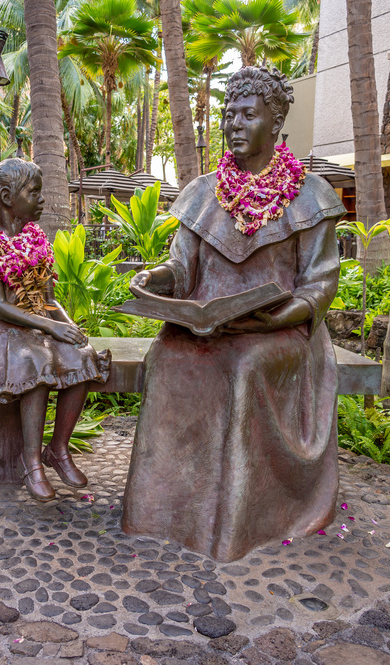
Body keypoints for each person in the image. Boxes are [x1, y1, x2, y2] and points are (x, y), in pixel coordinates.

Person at [121, 66, 345, 562]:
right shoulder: (203, 192)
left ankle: (236, 525)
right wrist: (153, 279)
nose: (235, 124)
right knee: (167, 359)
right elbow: (181, 267)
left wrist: (283, 315)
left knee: (243, 368)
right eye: (228, 114)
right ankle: (162, 513)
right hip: (205, 325)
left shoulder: (309, 195)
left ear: (276, 121)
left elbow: (319, 281)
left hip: (279, 330)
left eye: (249, 114)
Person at [0, 158, 110, 502]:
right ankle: (30, 461)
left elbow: (47, 299)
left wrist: (67, 326)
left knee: (83, 355)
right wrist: (50, 326)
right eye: (34, 193)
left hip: (31, 325)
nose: (41, 200)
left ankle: (57, 449)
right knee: (34, 359)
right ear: (6, 197)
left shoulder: (35, 239)